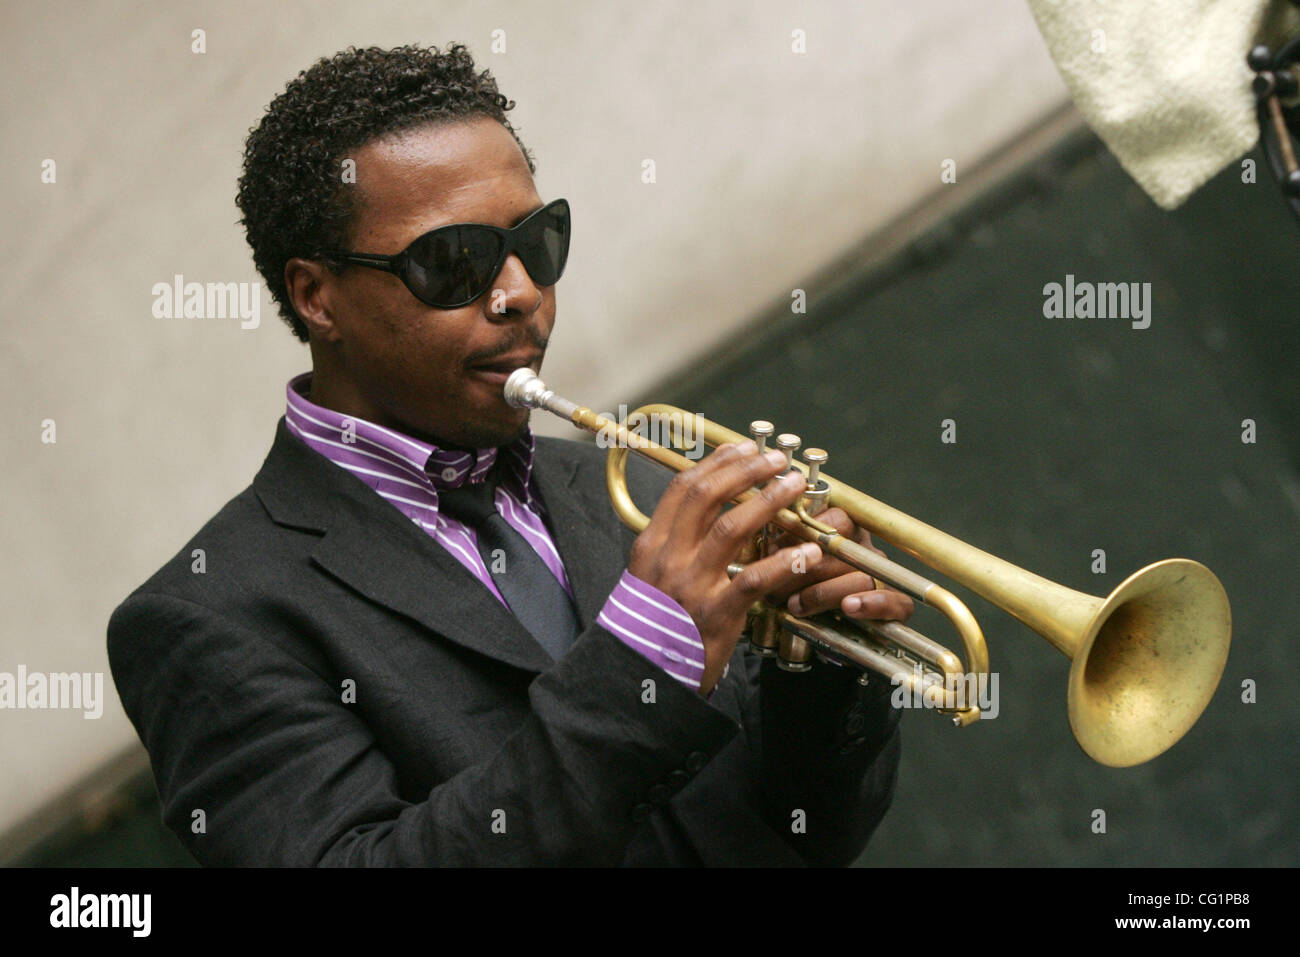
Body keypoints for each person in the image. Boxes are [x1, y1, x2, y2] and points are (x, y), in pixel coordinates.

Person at [107, 43, 909, 867]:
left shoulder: (622, 490)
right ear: (317, 297)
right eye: (454, 262)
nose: (520, 289)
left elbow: (807, 833)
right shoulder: (206, 616)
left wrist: (812, 665)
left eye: (538, 239)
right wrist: (640, 658)